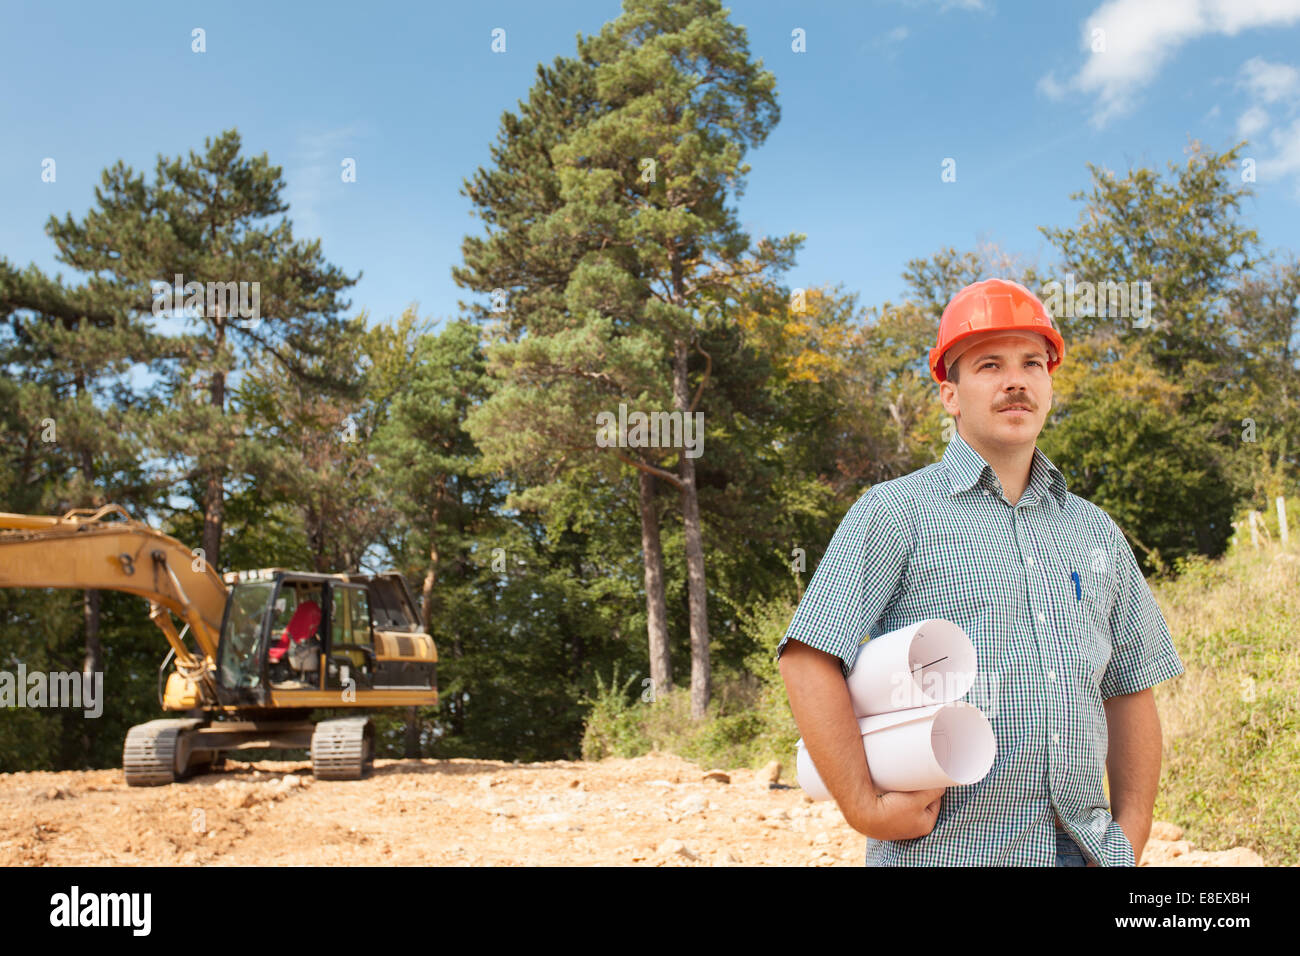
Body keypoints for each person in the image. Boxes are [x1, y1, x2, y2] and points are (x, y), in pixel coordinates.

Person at [777, 278, 1184, 866]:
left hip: (1085, 852)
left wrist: (1131, 835)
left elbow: (1131, 687)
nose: (1016, 380)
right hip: (947, 853)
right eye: (989, 364)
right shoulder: (896, 513)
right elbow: (808, 659)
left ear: (1049, 383)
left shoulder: (1096, 533)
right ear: (950, 394)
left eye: (1032, 363)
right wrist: (863, 806)